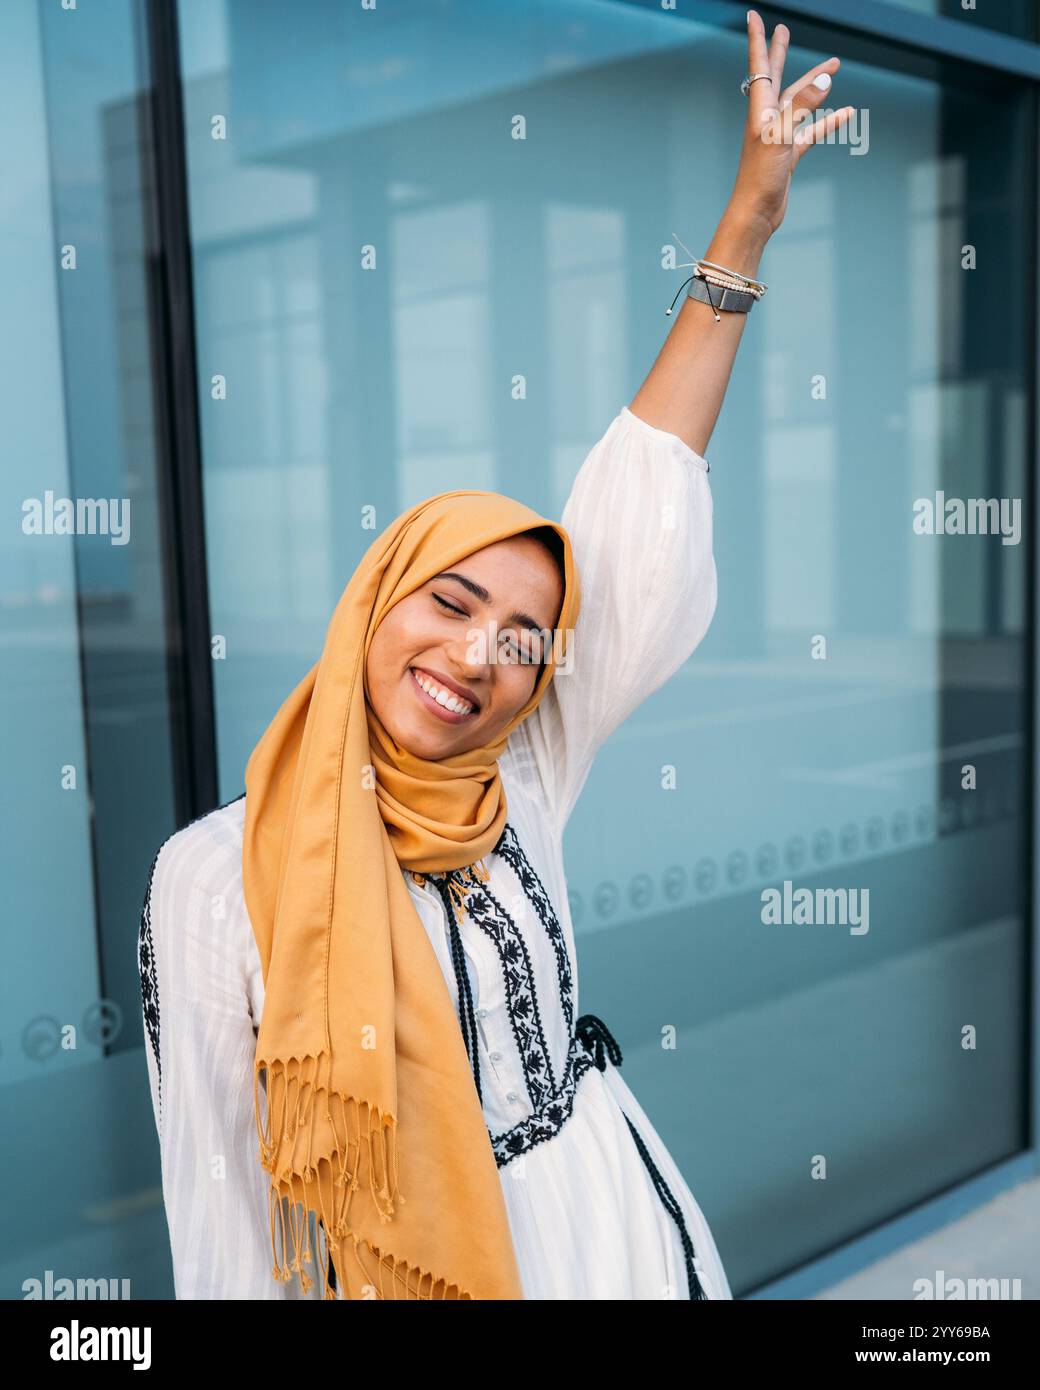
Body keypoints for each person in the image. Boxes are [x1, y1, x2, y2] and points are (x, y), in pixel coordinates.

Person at [138, 12, 854, 1300]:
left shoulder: (519, 776)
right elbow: (214, 1187)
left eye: (524, 639)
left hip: (605, 1227)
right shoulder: (210, 877)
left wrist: (746, 229)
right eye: (449, 602)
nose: (478, 655)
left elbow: (640, 510)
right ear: (375, 603)